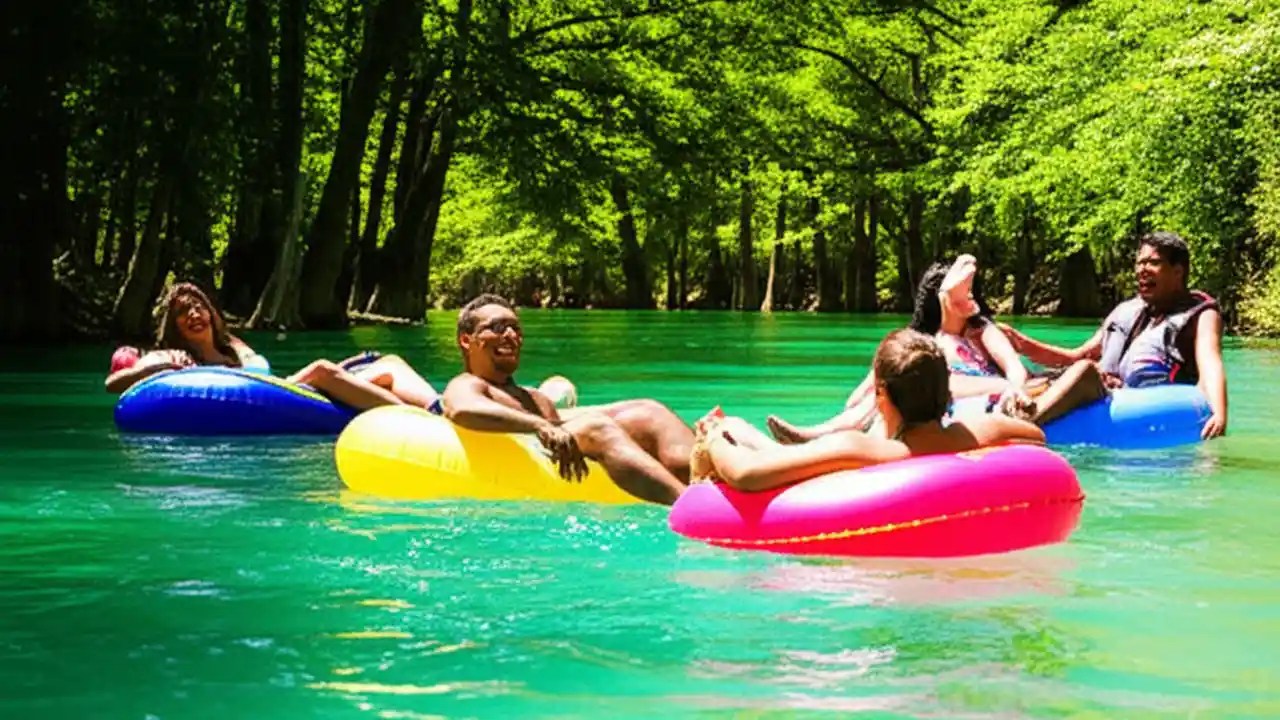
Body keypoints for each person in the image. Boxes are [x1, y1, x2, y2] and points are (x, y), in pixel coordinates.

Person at [767, 254, 1110, 442]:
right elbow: (858, 399)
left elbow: (1015, 369)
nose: (974, 300)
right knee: (890, 387)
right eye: (962, 296)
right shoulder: (924, 343)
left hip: (995, 396)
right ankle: (818, 436)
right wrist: (877, 391)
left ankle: (822, 437)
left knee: (930, 379)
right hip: (943, 400)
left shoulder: (982, 329)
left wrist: (1013, 390)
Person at [692, 329, 1045, 492]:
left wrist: (712, 440)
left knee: (728, 433)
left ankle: (722, 430)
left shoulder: (861, 449)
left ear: (880, 395)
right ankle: (734, 428)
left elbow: (746, 474)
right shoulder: (984, 431)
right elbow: (1036, 439)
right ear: (946, 391)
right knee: (740, 429)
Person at [440, 294, 693, 505]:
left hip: (551, 437)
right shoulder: (469, 384)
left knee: (648, 410)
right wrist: (539, 425)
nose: (510, 335)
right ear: (466, 340)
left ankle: (709, 479)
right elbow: (463, 409)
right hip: (525, 455)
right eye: (497, 327)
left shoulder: (533, 396)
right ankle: (689, 505)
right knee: (596, 427)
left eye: (515, 328)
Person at [999, 232, 1227, 438]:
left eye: (1153, 263)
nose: (1142, 270)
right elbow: (1077, 355)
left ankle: (1018, 426)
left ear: (1178, 272)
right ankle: (1000, 412)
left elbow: (1211, 365)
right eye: (1140, 263)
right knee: (1039, 377)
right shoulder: (1128, 310)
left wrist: (1219, 414)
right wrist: (1022, 344)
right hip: (1104, 392)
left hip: (1145, 404)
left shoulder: (1201, 314)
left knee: (1086, 370)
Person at [105, 282, 440, 412]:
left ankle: (437, 409)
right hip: (265, 397)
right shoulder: (171, 355)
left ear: (210, 312)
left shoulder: (232, 344)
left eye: (199, 307)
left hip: (283, 392)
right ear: (174, 325)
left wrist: (348, 365)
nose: (194, 315)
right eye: (183, 313)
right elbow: (113, 385)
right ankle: (416, 418)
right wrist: (158, 367)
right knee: (323, 369)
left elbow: (265, 373)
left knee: (387, 363)